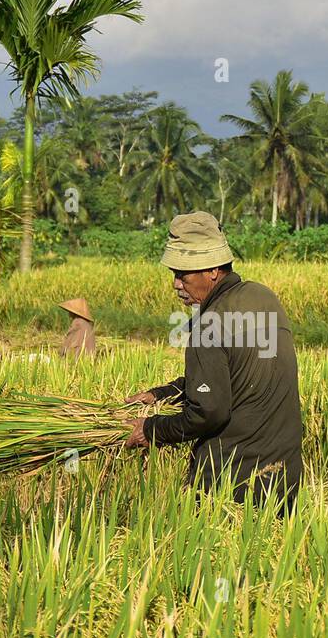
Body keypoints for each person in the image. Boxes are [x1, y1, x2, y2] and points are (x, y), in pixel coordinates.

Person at [123, 211, 302, 516]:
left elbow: (209, 412)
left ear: (213, 271)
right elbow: (235, 371)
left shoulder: (209, 324)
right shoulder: (263, 298)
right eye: (175, 274)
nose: (177, 284)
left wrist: (152, 429)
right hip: (283, 475)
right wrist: (163, 394)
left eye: (184, 274)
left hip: (233, 483)